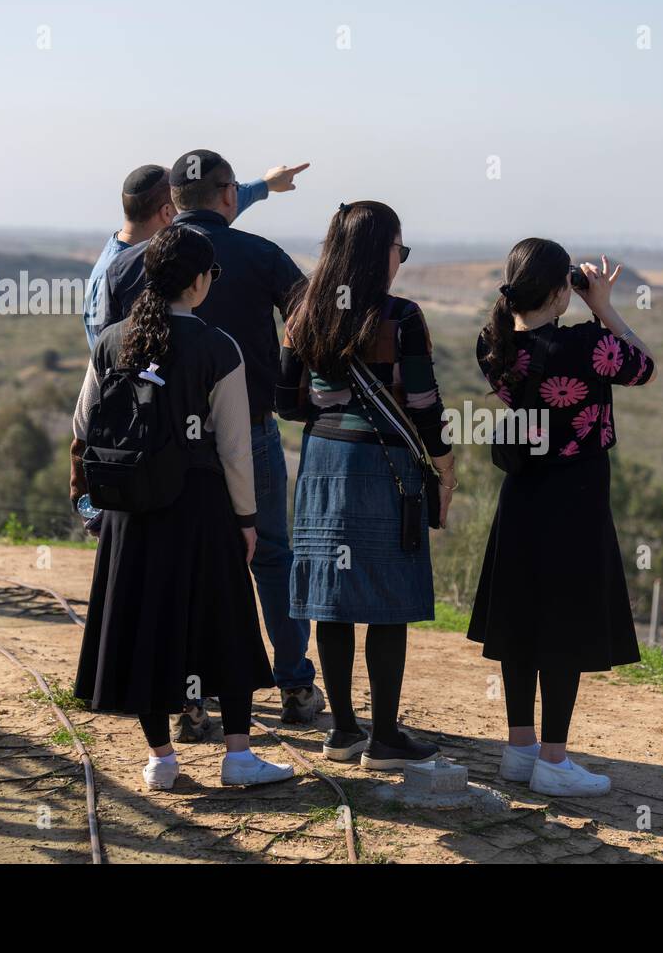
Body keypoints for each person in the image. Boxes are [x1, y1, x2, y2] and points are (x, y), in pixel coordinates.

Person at [104, 149, 322, 739]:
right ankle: (296, 682)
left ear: (173, 202)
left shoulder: (130, 266)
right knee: (273, 556)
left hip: (161, 448)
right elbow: (311, 318)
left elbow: (109, 358)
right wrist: (287, 383)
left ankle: (191, 699)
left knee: (182, 563)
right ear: (229, 196)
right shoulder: (262, 255)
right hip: (248, 431)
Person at [70, 224, 291, 790]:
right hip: (200, 506)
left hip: (131, 510)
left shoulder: (112, 340)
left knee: (147, 625)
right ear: (198, 281)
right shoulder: (219, 347)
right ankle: (239, 755)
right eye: (211, 274)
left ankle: (162, 761)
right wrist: (247, 520)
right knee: (224, 621)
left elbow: (82, 425)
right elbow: (235, 448)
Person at [468, 238, 656, 797]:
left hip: (522, 495)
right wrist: (602, 305)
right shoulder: (589, 344)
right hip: (576, 497)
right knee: (565, 623)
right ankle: (554, 760)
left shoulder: (493, 344)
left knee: (522, 618)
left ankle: (519, 749)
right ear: (560, 291)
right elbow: (643, 367)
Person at [276, 200, 457, 769]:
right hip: (385, 466)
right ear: (381, 252)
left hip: (322, 462)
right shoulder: (401, 316)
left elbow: (285, 402)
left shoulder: (303, 311)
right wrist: (445, 461)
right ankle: (384, 738)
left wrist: (333, 411)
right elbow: (425, 406)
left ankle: (344, 732)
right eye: (399, 248)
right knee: (387, 600)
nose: (401, 259)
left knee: (331, 597)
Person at [84, 160, 308, 349]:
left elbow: (209, 214)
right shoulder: (112, 271)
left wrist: (266, 184)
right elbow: (105, 354)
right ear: (168, 212)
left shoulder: (126, 264)